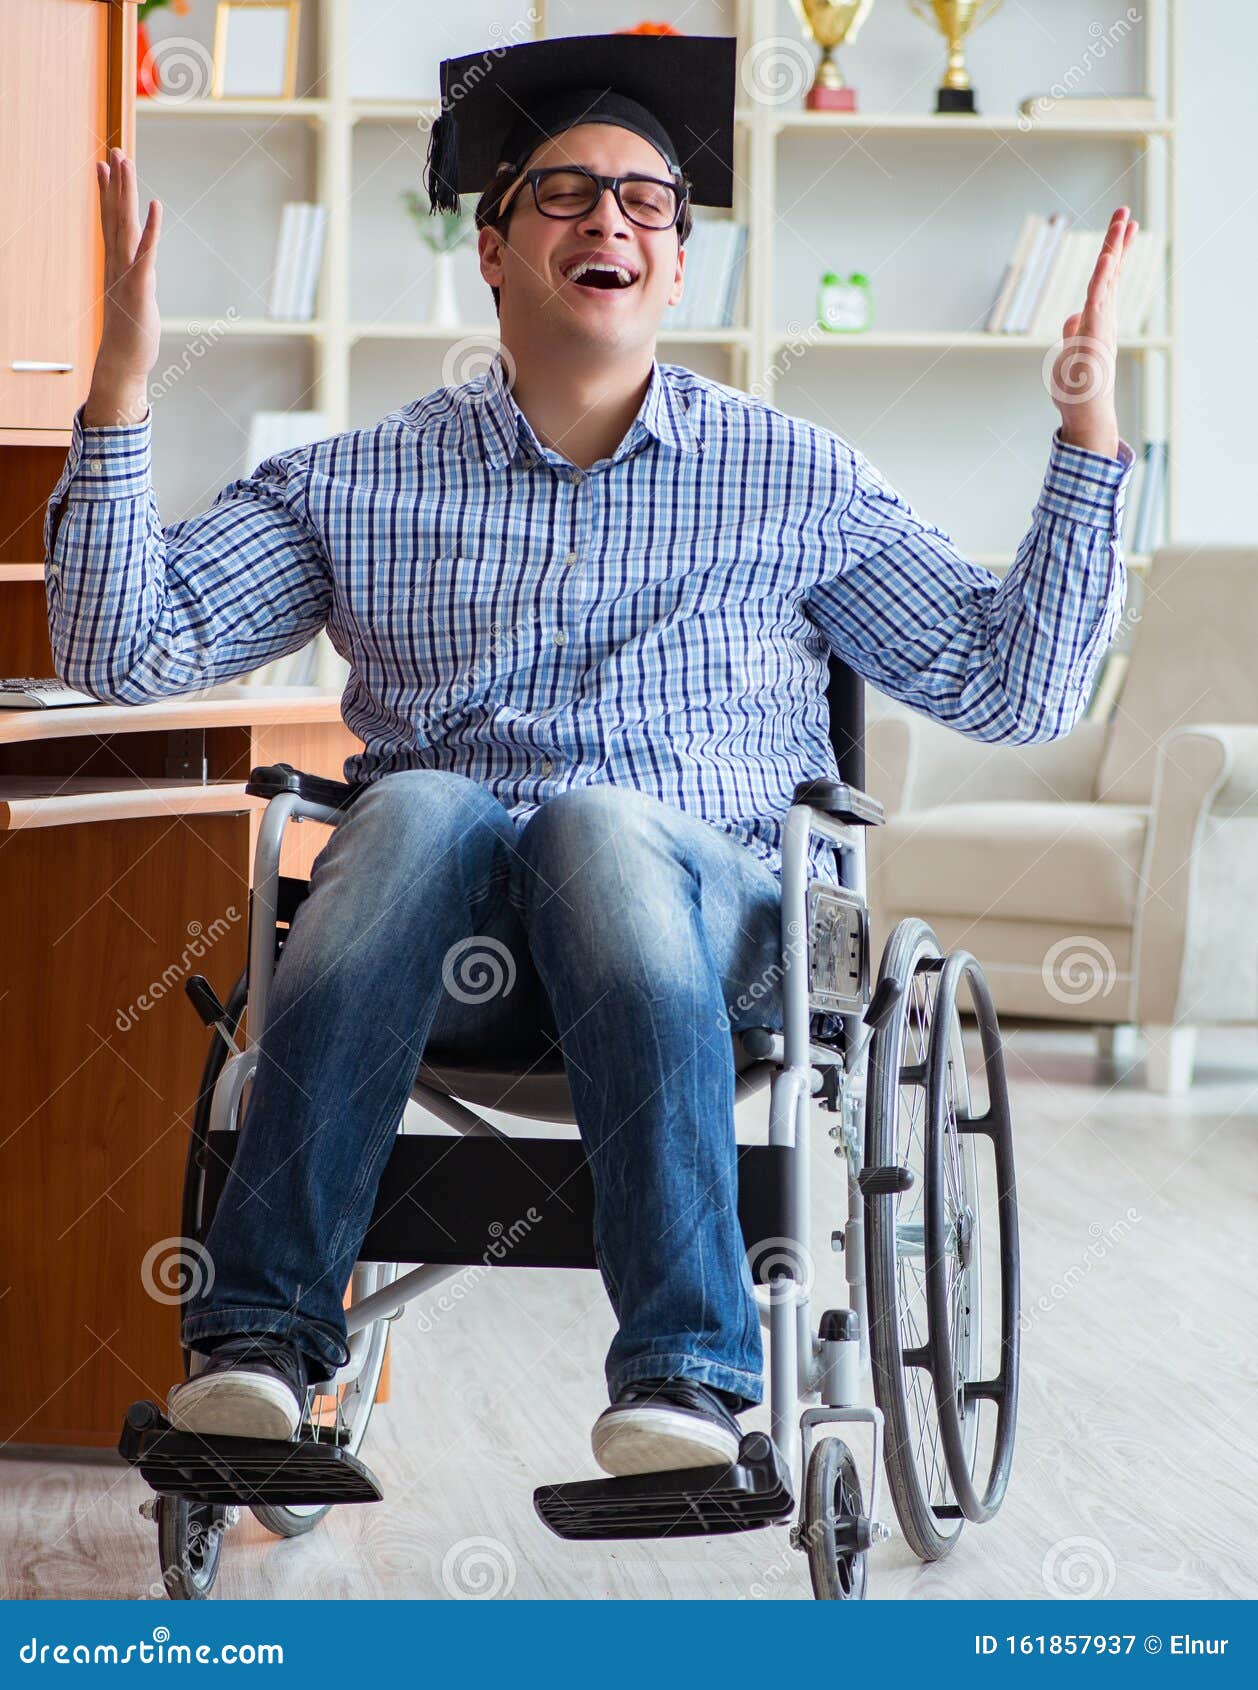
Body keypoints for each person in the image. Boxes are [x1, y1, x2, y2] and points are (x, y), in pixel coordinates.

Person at [45, 31, 1135, 1477]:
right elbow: (125, 654)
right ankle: (257, 1345)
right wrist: (120, 396)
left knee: (599, 826)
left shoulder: (793, 478)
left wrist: (1085, 428)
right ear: (489, 252)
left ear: (677, 265)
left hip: (714, 920)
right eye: (560, 193)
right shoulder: (357, 480)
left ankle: (686, 1375)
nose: (607, 220)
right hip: (439, 941)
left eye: (643, 202)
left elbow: (1011, 686)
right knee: (422, 805)